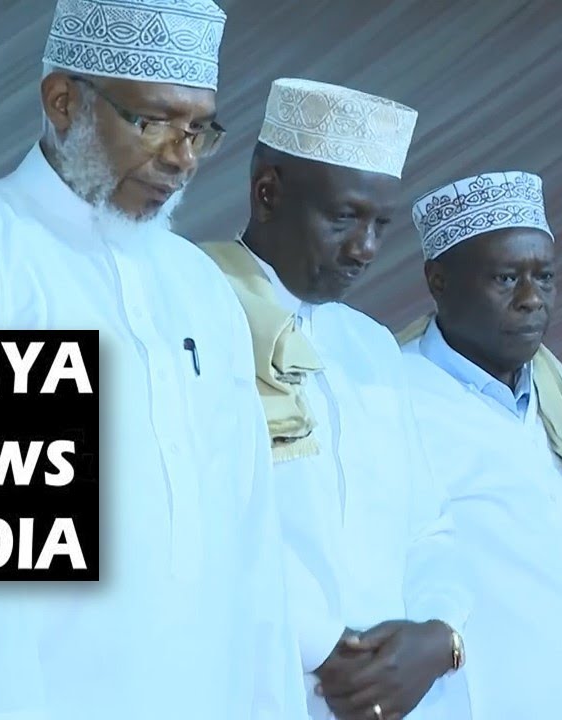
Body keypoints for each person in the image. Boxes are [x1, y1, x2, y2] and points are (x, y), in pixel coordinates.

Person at [0, 1, 304, 718]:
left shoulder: (196, 282)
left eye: (198, 130)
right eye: (154, 122)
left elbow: (252, 545)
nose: (182, 158)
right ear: (63, 101)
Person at [201, 78, 468, 720]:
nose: (365, 249)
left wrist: (439, 635)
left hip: (396, 696)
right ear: (268, 192)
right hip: (255, 685)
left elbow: (428, 525)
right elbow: (201, 518)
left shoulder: (370, 344)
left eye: (380, 224)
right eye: (344, 217)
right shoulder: (195, 309)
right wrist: (326, 647)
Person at [396, 171, 562, 719]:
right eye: (506, 278)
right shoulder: (394, 397)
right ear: (438, 280)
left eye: (544, 277)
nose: (532, 299)